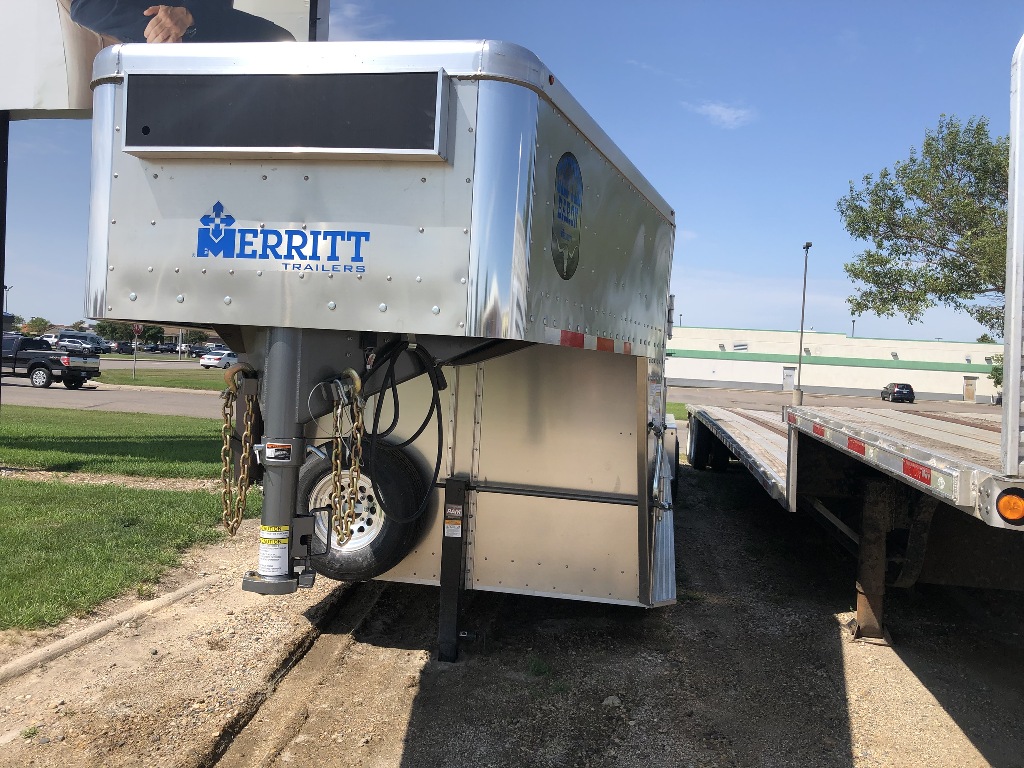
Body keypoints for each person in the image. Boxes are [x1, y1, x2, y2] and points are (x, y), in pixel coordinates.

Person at [69, 1, 295, 44]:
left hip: (207, 26)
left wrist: (189, 16)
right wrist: (159, 29)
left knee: (281, 43)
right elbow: (86, 6)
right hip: (148, 50)